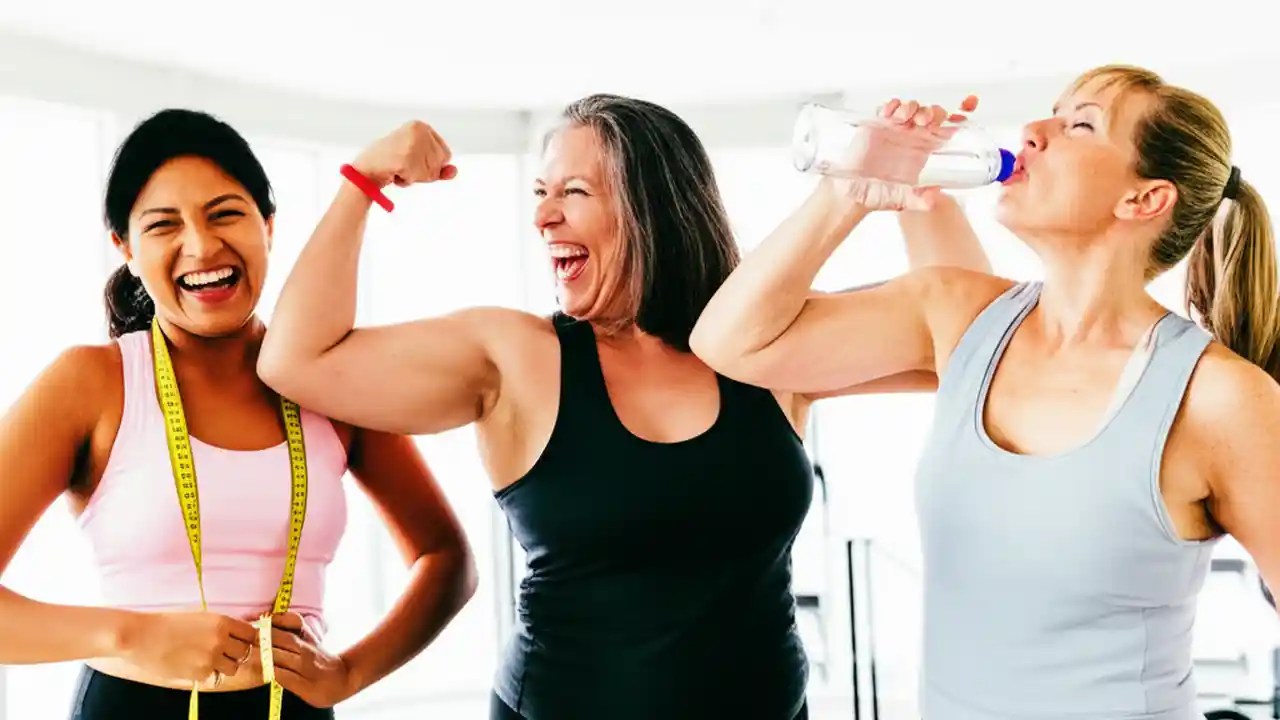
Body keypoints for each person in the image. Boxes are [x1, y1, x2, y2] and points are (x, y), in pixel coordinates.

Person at [255, 93, 988, 719]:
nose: (543, 217)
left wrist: (917, 182)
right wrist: (362, 179)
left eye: (573, 191)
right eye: (539, 192)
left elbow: (961, 340)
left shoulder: (767, 349)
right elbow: (297, 361)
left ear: (652, 206)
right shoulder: (515, 356)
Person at [691, 64, 1280, 719]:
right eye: (1051, 112)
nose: (1033, 131)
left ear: (1143, 200)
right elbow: (732, 343)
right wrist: (849, 194)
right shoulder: (960, 315)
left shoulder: (1221, 399)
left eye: (1080, 123)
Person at [0, 109, 477, 719]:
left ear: (269, 226)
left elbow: (447, 557)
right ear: (125, 248)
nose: (201, 246)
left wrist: (351, 672)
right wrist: (134, 634)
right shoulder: (91, 383)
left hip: (296, 708)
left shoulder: (332, 384)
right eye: (163, 225)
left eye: (225, 213)